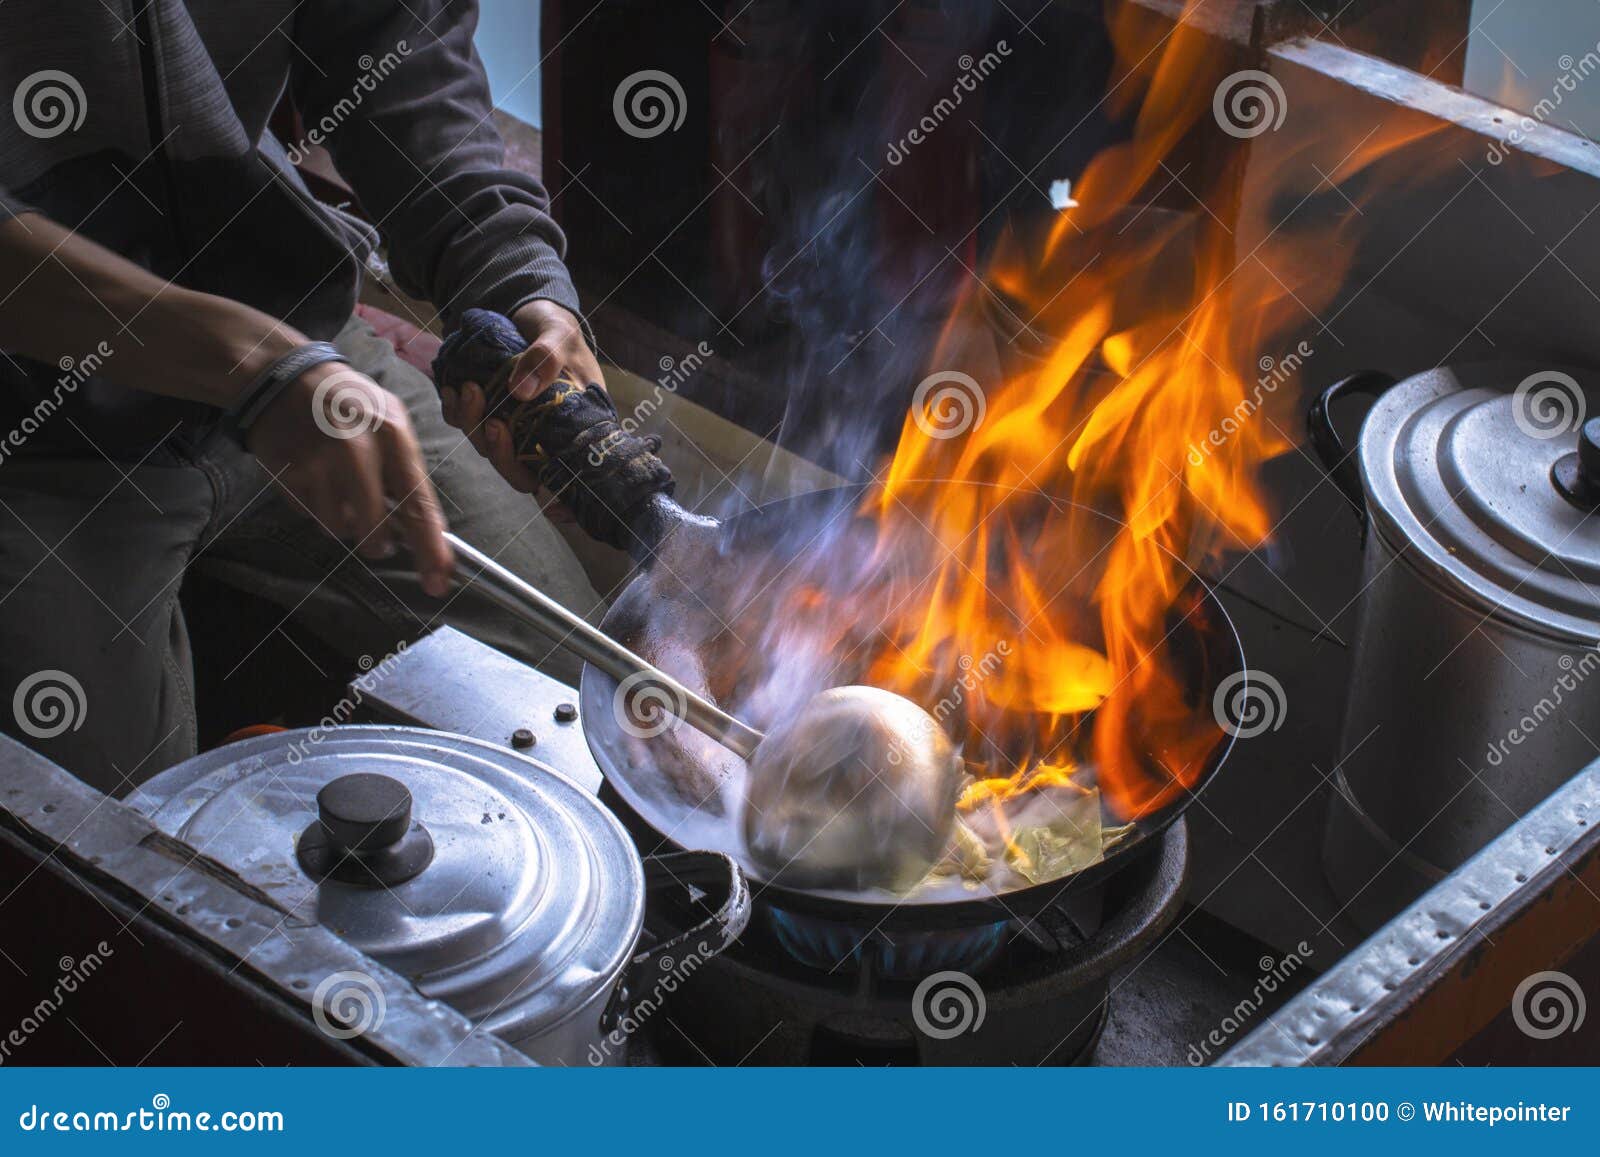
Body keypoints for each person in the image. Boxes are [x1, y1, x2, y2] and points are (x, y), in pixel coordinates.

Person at [0, 1, 609, 793]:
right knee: (104, 869)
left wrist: (518, 278)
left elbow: (397, 46)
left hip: (297, 344)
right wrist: (247, 362)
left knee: (581, 695)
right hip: (37, 435)